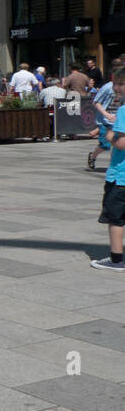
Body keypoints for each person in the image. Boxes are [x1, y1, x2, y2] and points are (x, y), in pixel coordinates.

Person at [92, 67, 125, 271]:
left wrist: (109, 136)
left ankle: (116, 259)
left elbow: (122, 143)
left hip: (120, 176)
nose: (115, 88)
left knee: (116, 219)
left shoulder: (123, 110)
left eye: (119, 84)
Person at [88, 77, 118, 171]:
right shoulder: (107, 87)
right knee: (105, 144)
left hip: (118, 119)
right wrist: (106, 114)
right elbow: (96, 102)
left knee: (119, 143)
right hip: (104, 120)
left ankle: (114, 164)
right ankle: (92, 156)